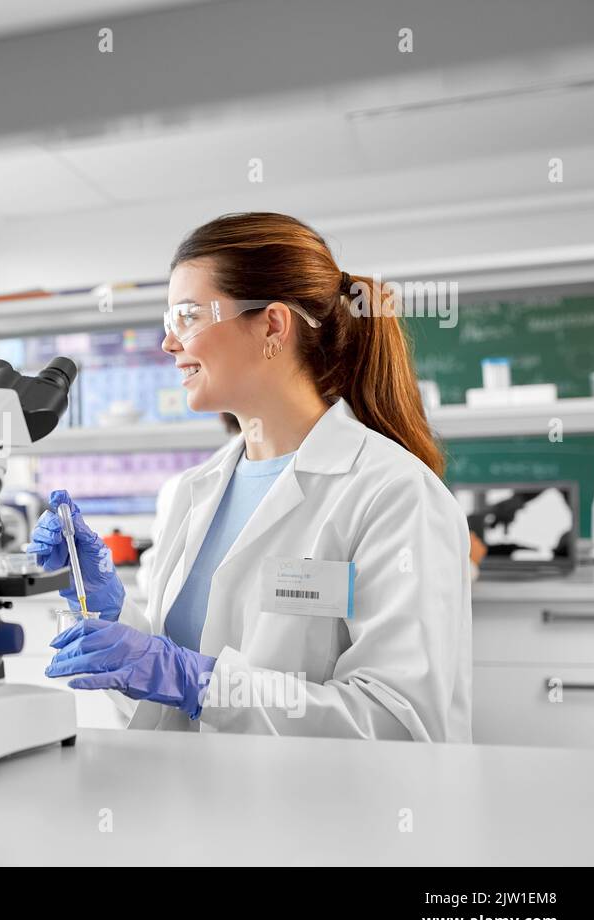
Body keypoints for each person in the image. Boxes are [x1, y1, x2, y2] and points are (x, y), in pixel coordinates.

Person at [31, 212, 472, 741]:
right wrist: (112, 617)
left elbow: (401, 723)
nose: (169, 345)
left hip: (326, 820)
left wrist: (198, 682)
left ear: (271, 325)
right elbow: (160, 709)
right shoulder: (188, 494)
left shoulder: (394, 494)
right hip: (189, 808)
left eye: (188, 318)